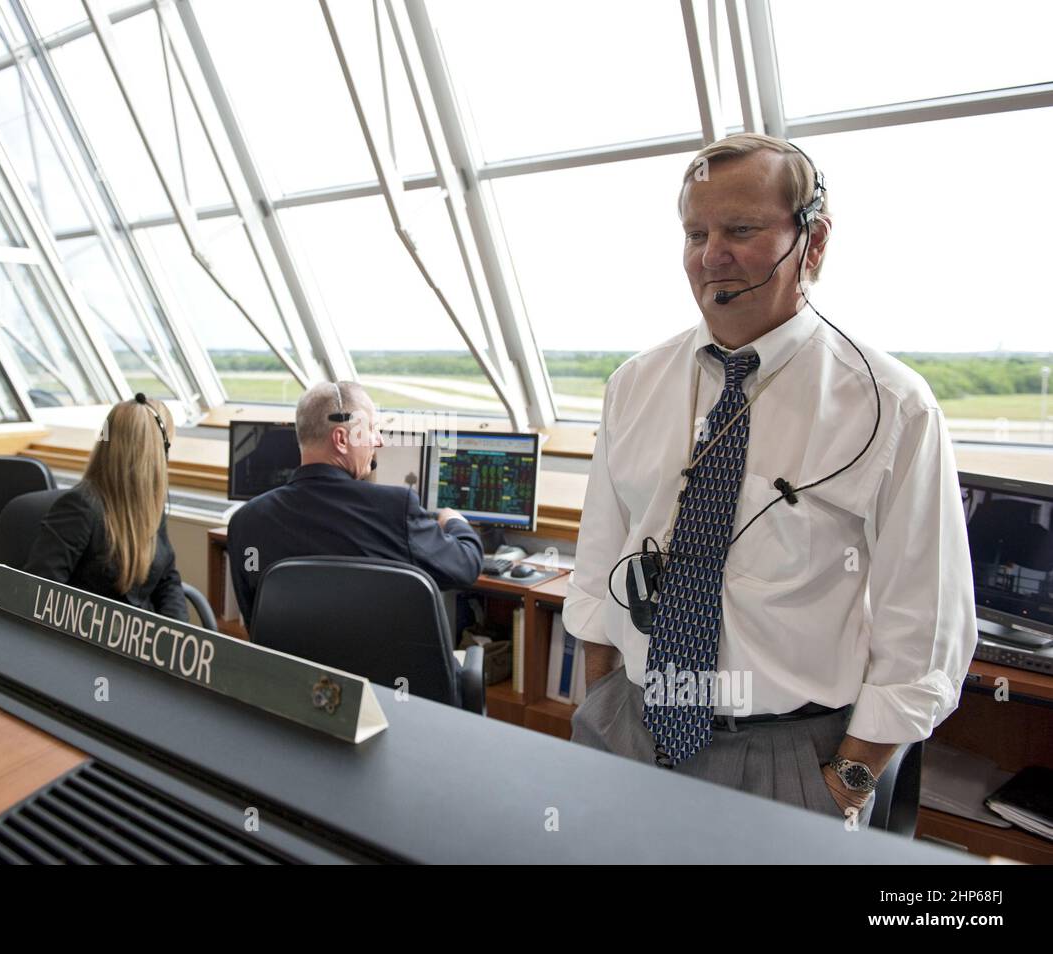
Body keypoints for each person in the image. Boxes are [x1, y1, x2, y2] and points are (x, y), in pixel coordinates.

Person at [563, 133, 976, 827]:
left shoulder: (892, 406)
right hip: (627, 728)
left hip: (788, 761)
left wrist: (843, 783)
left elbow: (926, 633)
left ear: (812, 243)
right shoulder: (634, 385)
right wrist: (602, 703)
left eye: (741, 230)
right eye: (696, 232)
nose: (710, 254)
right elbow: (597, 571)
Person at [227, 381, 481, 628]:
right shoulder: (394, 509)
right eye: (371, 428)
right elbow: (465, 567)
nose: (378, 441)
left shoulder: (245, 522)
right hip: (383, 672)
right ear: (341, 439)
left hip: (293, 670)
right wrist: (454, 522)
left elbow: (255, 621)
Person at [25, 395, 188, 621]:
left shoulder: (151, 505)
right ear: (157, 452)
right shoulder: (80, 507)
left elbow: (167, 580)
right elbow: (39, 595)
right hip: (91, 641)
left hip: (143, 639)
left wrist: (179, 636)